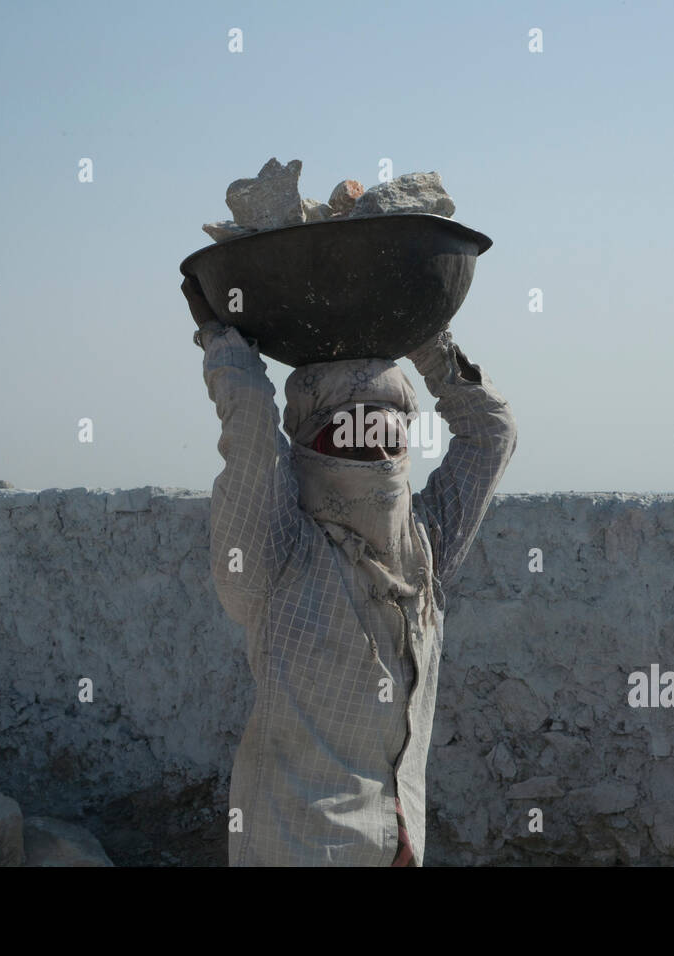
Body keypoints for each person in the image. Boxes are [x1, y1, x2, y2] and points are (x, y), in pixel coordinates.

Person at [183, 274, 517, 866]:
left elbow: (490, 432)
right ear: (307, 451)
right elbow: (253, 434)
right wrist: (220, 340)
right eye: (350, 435)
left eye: (389, 436)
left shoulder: (423, 548)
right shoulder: (276, 556)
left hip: (399, 843)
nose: (376, 454)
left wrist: (427, 339)